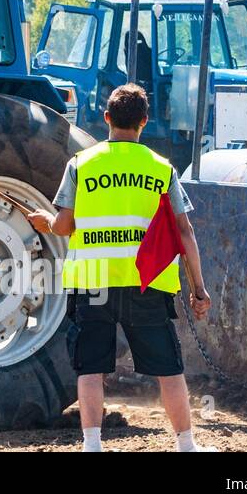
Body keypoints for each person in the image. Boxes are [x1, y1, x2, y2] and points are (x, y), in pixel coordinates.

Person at [26, 83, 216, 452]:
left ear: (107, 118)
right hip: (146, 282)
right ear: (144, 122)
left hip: (92, 282)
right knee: (168, 369)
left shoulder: (81, 164)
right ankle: (186, 446)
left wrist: (44, 221)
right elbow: (184, 231)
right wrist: (198, 288)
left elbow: (64, 226)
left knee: (91, 368)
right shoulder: (161, 169)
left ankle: (93, 446)